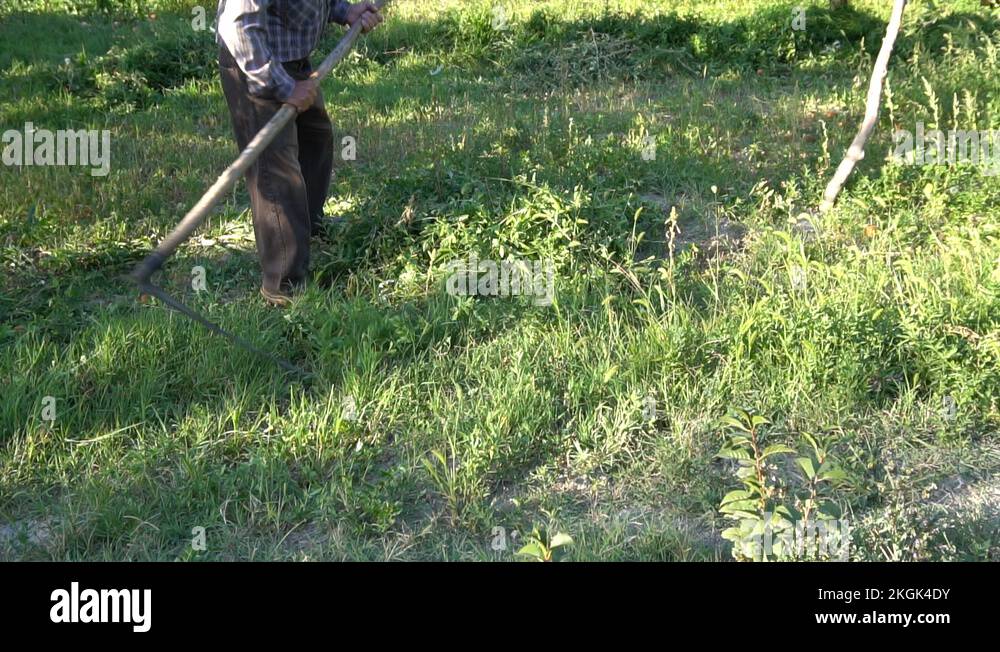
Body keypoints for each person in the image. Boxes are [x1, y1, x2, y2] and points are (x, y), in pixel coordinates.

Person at [216, 1, 384, 307]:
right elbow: (236, 27)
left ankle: (306, 226)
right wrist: (283, 86)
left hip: (292, 59)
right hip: (255, 65)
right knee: (277, 172)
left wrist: (344, 11)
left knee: (315, 138)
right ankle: (284, 285)